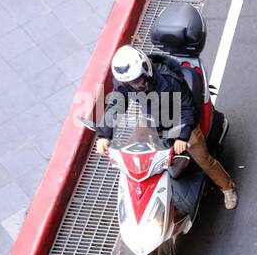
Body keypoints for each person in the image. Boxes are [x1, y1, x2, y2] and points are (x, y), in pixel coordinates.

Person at [97, 45, 236, 209]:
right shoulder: (126, 83)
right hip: (153, 121)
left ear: (145, 70)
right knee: (132, 154)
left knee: (204, 160)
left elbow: (187, 109)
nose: (134, 86)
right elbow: (116, 105)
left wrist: (182, 136)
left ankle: (227, 187)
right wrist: (104, 135)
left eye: (136, 80)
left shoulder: (169, 79)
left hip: (180, 123)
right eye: (129, 83)